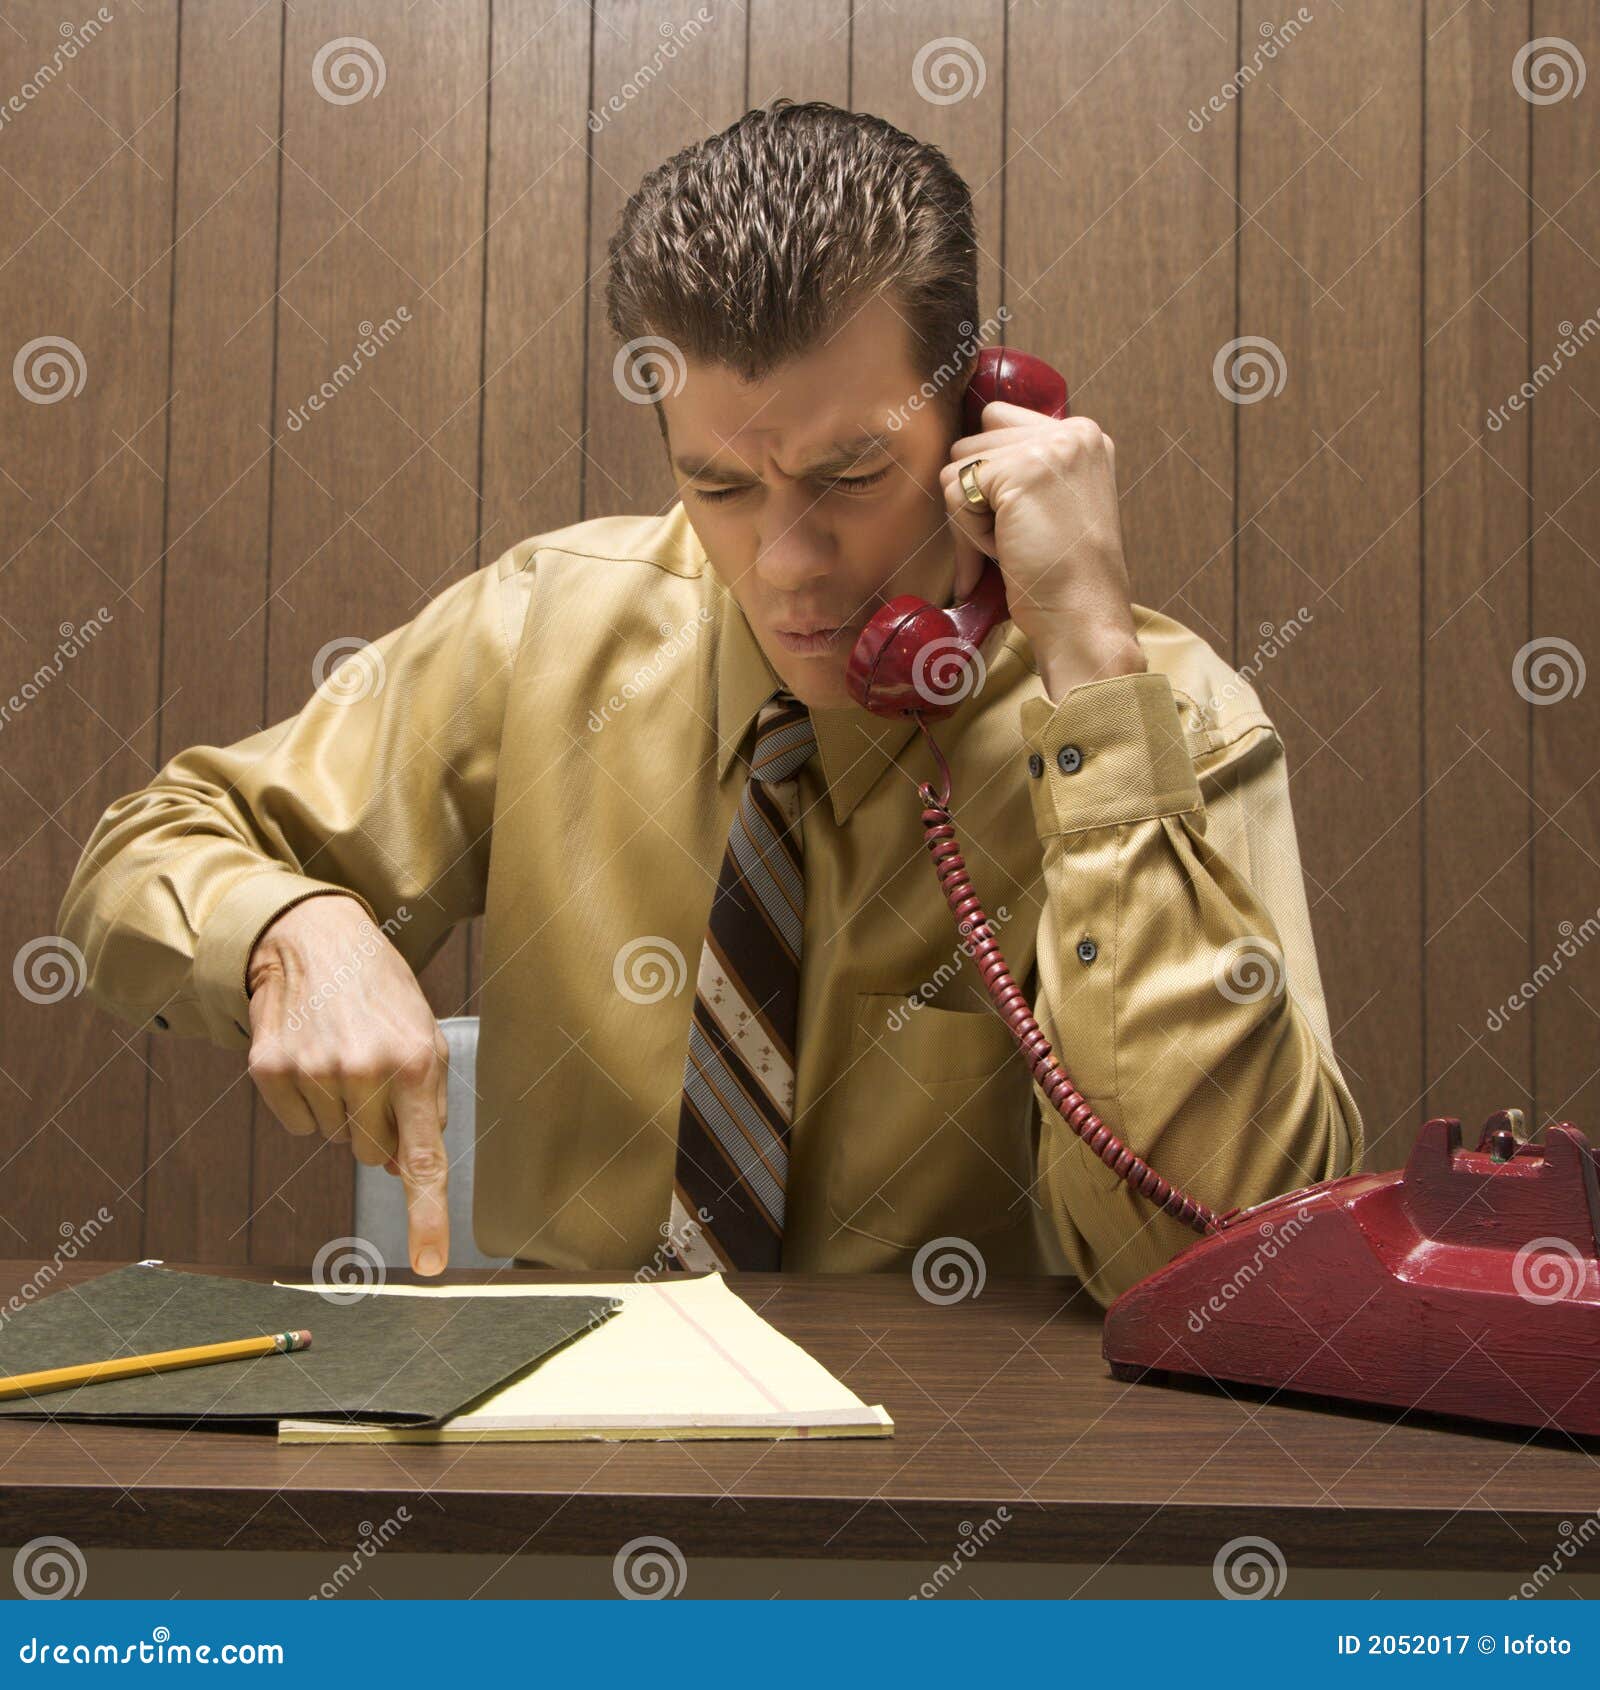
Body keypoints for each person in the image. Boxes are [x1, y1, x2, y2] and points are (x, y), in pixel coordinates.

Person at [57, 99, 1363, 1304]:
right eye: (722, 486)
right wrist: (287, 927)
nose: (787, 563)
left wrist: (1089, 670)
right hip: (571, 1433)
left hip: (960, 1450)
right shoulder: (541, 630)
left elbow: (1226, 1261)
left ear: (981, 425)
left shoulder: (1169, 717)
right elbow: (140, 853)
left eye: (851, 475)